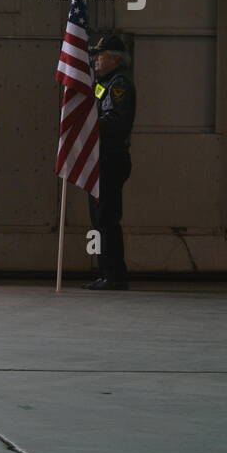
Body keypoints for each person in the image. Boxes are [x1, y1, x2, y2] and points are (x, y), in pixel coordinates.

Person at [84, 34, 136, 291]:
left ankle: (114, 274)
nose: (94, 59)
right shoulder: (103, 82)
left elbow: (116, 121)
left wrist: (88, 125)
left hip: (110, 158)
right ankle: (107, 271)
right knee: (99, 218)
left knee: (106, 218)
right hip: (100, 158)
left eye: (100, 55)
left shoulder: (120, 85)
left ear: (115, 58)